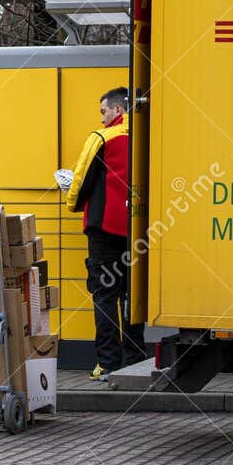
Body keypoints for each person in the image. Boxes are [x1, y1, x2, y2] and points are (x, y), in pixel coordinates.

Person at [63, 86, 145, 381]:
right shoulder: (146, 136)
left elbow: (81, 181)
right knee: (132, 293)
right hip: (138, 228)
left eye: (104, 111)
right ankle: (136, 359)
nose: (102, 118)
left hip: (104, 229)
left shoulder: (101, 137)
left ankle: (108, 363)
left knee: (105, 293)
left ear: (118, 110)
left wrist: (71, 201)